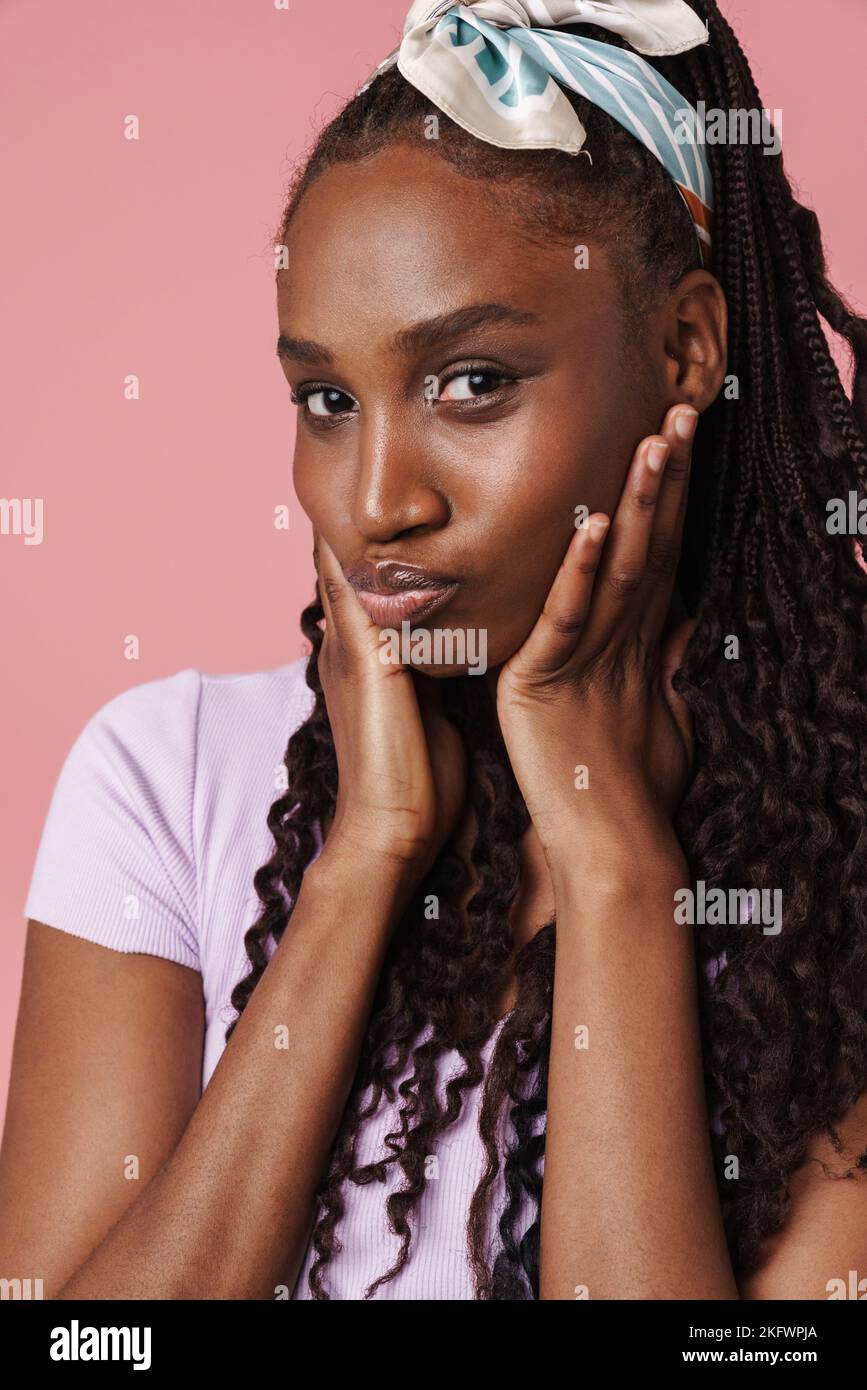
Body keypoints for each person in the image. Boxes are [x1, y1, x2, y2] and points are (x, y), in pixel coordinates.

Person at [3, 0, 867, 1301]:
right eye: (328, 401)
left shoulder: (840, 847)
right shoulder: (166, 779)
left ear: (687, 351)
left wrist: (615, 855)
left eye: (471, 382)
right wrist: (363, 854)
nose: (377, 500)